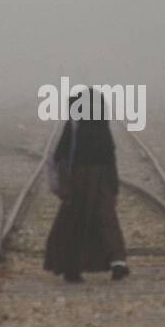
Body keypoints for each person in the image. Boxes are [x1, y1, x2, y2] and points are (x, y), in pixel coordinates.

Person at [43, 89, 128, 283]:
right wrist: (113, 188)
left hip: (76, 179)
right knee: (107, 220)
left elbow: (60, 154)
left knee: (74, 221)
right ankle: (117, 263)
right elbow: (110, 155)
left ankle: (71, 268)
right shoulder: (101, 124)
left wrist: (63, 184)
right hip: (102, 178)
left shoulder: (74, 124)